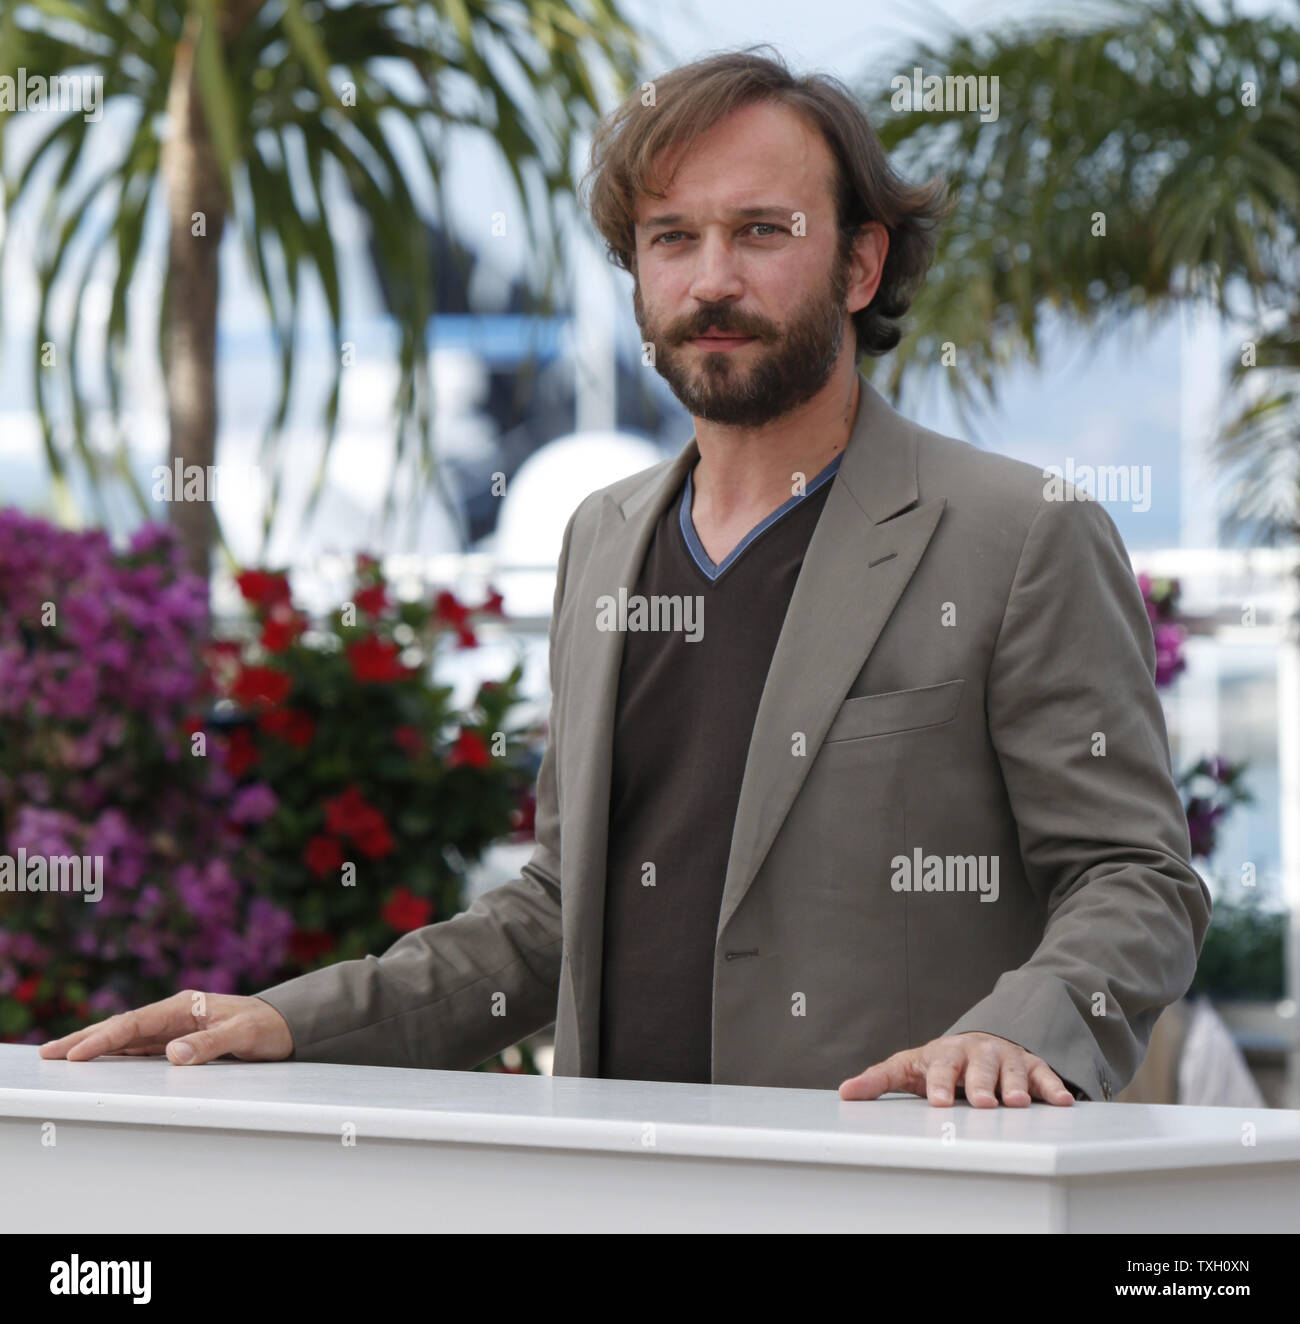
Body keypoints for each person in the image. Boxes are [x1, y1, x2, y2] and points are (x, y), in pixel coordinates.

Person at [41, 48, 1211, 1108]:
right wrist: (289, 1021)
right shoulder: (602, 536)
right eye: (671, 237)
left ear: (860, 263)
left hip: (891, 1191)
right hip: (618, 1189)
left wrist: (1019, 1033)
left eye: (762, 231)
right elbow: (558, 913)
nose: (711, 280)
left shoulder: (1018, 533)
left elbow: (1133, 876)